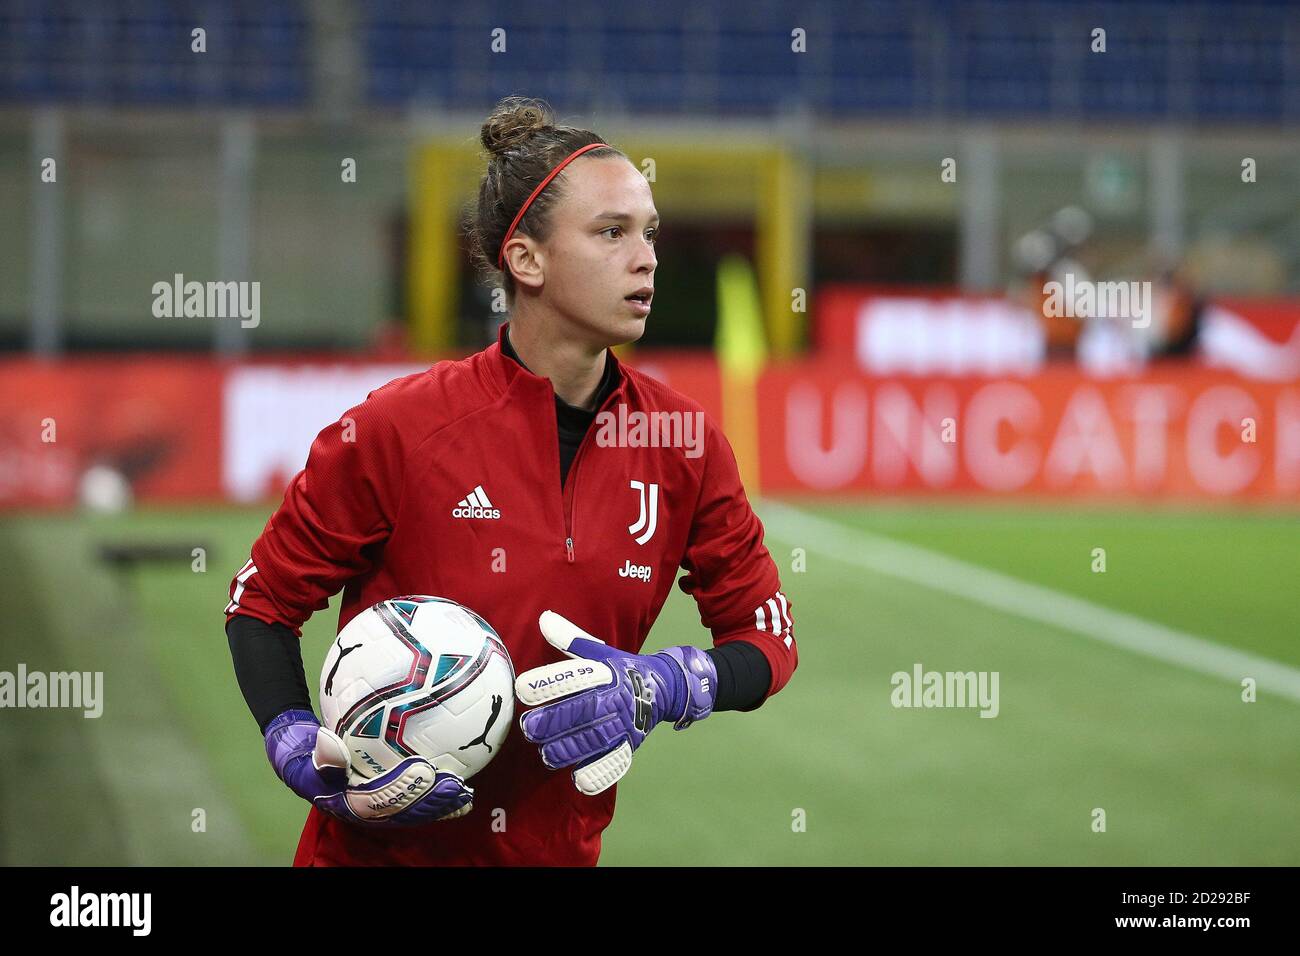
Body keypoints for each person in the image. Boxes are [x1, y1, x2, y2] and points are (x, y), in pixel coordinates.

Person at [223, 97, 799, 866]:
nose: (647, 257)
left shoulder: (683, 444)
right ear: (525, 260)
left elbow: (766, 635)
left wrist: (668, 685)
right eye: (611, 232)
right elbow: (261, 601)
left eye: (650, 233)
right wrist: (294, 742)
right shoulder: (400, 428)